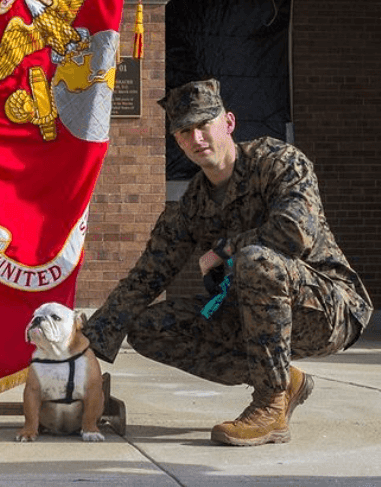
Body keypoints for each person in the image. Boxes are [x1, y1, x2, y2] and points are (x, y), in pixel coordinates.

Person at [82, 79, 374, 446]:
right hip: (252, 314)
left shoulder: (279, 162)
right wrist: (84, 345)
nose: (197, 137)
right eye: (185, 131)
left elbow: (294, 231)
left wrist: (224, 249)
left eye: (204, 124)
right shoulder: (192, 205)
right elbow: (145, 278)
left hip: (327, 307)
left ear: (229, 123)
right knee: (148, 326)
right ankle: (283, 381)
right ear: (178, 141)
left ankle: (271, 408)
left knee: (255, 260)